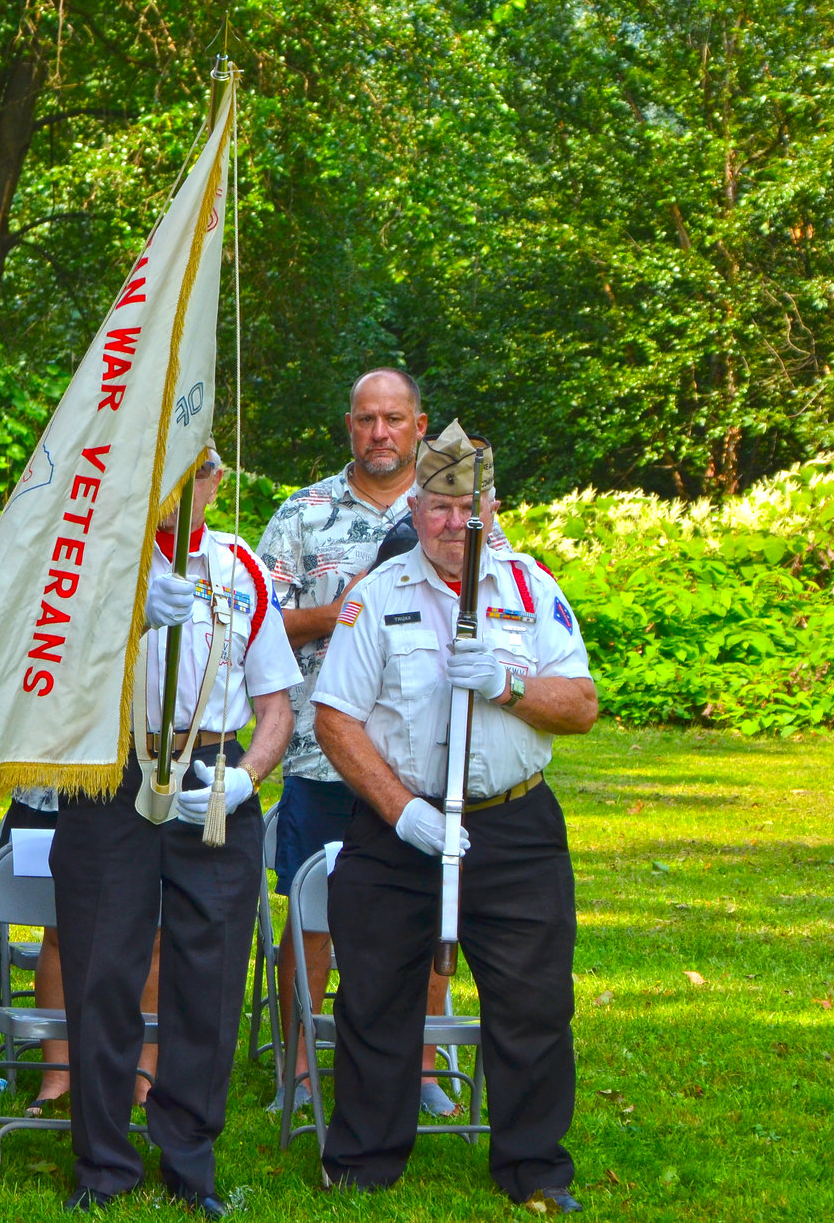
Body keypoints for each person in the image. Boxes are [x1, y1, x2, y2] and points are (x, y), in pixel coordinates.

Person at [310, 422, 595, 1212]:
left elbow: (579, 705)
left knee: (533, 999)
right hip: (398, 830)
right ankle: (363, 1159)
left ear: (491, 509)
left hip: (513, 829)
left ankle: (534, 1169)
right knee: (372, 994)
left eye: (466, 507)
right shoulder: (376, 596)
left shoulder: (531, 589)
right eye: (436, 506)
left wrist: (506, 684)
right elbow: (334, 719)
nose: (451, 523)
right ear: (416, 506)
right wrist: (403, 815)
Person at [49, 448, 298, 1216]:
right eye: (158, 469)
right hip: (111, 776)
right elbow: (45, 673)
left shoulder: (242, 567)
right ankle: (102, 1164)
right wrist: (120, 617)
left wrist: (246, 776)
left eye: (195, 472)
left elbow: (277, 706)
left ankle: (190, 1159)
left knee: (210, 976)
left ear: (216, 481)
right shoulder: (86, 558)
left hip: (215, 778)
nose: (177, 489)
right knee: (101, 973)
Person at [256, 368, 476, 1117]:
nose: (378, 432)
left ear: (419, 426)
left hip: (429, 755)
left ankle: (417, 1067)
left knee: (429, 909)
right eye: (364, 419)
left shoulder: (459, 512)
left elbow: (489, 595)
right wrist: (342, 615)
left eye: (393, 419)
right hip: (324, 757)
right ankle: (299, 1069)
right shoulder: (302, 514)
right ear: (346, 425)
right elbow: (258, 624)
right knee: (311, 913)